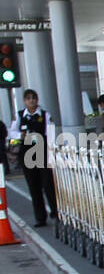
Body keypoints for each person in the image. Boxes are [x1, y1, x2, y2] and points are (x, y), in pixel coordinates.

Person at [12, 90, 58, 226]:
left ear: (37, 100)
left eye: (33, 98)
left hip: (42, 152)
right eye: (28, 98)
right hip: (27, 154)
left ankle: (55, 212)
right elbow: (11, 132)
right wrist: (20, 136)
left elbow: (50, 134)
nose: (31, 101)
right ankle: (40, 217)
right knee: (33, 185)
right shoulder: (20, 115)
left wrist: (51, 153)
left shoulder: (44, 115)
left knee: (48, 184)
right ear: (25, 101)